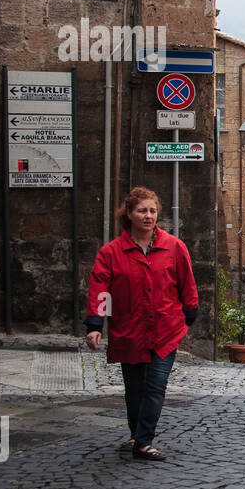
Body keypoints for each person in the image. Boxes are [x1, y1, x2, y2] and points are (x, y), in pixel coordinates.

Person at [84, 186, 197, 461]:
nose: (148, 216)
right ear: (129, 215)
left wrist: (190, 309)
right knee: (134, 388)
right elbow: (101, 289)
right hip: (129, 330)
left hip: (165, 329)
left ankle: (144, 441)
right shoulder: (111, 252)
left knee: (156, 384)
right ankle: (136, 434)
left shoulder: (173, 247)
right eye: (142, 211)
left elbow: (186, 281)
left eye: (152, 211)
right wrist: (95, 324)